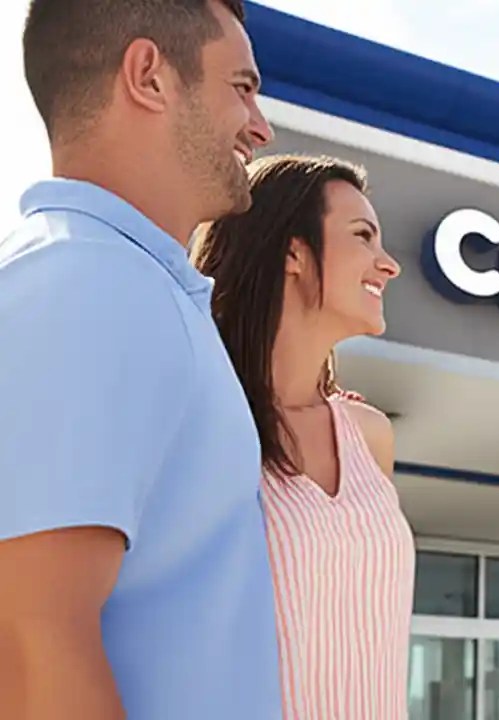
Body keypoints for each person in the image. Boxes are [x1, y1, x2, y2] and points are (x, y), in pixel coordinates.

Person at [0, 1, 279, 719]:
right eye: (241, 88)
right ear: (149, 75)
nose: (261, 125)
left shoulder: (127, 288)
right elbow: (30, 650)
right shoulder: (85, 282)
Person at [190, 153, 412, 720]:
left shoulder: (369, 436)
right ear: (293, 250)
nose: (388, 265)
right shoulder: (201, 421)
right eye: (363, 236)